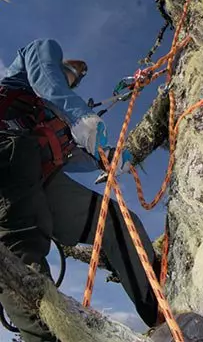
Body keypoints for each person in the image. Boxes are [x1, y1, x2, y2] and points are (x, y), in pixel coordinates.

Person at [0, 38, 160, 342]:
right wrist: (80, 117)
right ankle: (44, 336)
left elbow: (78, 159)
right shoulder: (35, 67)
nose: (75, 77)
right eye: (71, 72)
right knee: (24, 253)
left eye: (77, 76)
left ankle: (161, 315)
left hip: (40, 179)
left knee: (118, 222)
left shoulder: (56, 119)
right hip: (7, 153)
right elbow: (45, 70)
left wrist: (109, 157)